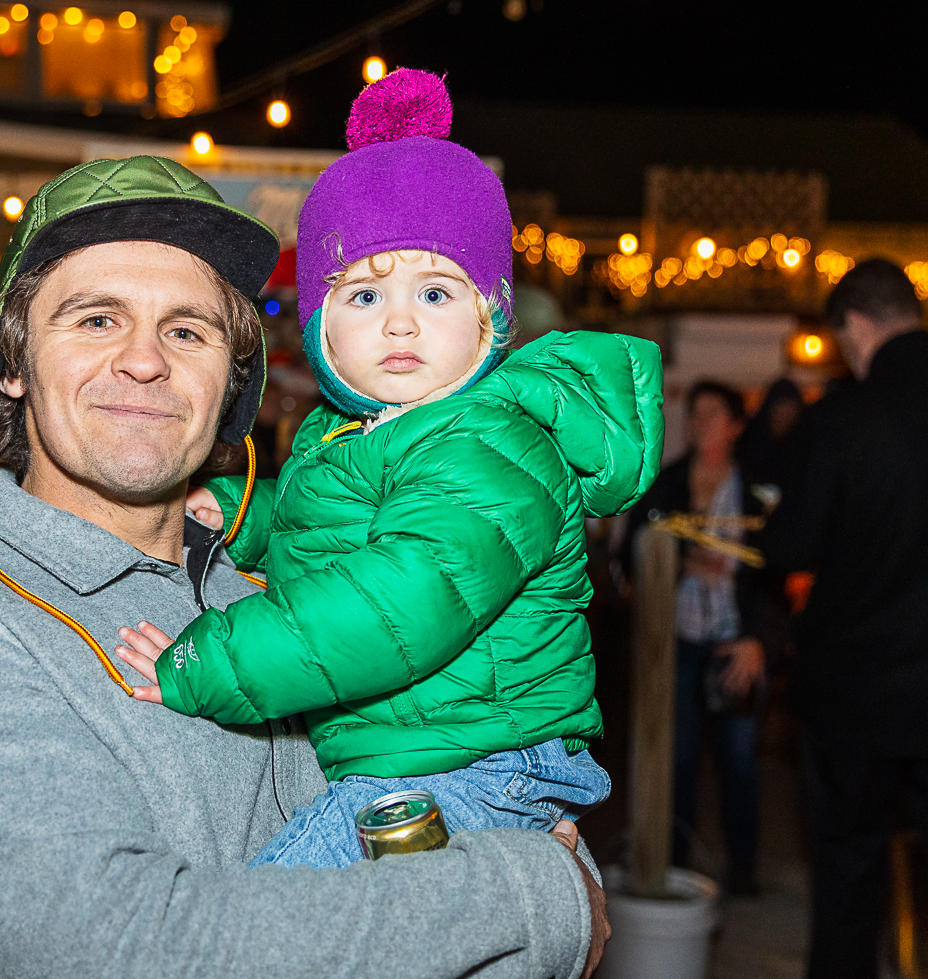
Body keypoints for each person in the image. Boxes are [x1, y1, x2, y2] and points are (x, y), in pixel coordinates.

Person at [0, 154, 611, 979]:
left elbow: (515, 807)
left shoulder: (291, 581)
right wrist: (530, 901)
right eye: (96, 319)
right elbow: (114, 953)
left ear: (229, 384)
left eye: (188, 331)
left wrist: (540, 882)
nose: (144, 360)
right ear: (14, 366)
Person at [113, 70, 664, 870]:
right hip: (423, 753)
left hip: (477, 767)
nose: (400, 320)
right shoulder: (351, 433)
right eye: (364, 297)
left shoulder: (492, 444)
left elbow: (396, 602)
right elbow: (330, 526)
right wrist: (238, 512)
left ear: (491, 316)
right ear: (319, 325)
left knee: (270, 919)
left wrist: (210, 662)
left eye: (436, 293)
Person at [761, 258, 928, 979]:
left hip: (857, 692)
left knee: (848, 879)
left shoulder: (842, 420)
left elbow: (791, 546)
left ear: (855, 325)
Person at [626, 380, 767, 895]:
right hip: (678, 639)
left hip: (736, 640)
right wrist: (676, 560)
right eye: (694, 414)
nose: (699, 422)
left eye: (712, 414)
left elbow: (777, 573)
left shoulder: (758, 489)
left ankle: (744, 868)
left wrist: (758, 638)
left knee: (738, 759)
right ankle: (674, 861)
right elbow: (629, 554)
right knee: (677, 756)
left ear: (735, 425)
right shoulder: (669, 484)